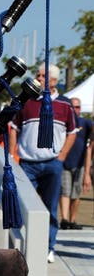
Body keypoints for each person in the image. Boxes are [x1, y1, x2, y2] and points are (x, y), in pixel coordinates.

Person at [9, 62, 77, 263]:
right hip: (27, 163)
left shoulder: (65, 105)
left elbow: (72, 132)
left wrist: (62, 155)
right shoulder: (27, 101)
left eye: (42, 76)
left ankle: (49, 247)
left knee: (50, 207)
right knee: (22, 205)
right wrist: (13, 155)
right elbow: (14, 127)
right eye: (38, 75)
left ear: (54, 81)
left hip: (52, 163)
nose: (38, 79)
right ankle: (23, 244)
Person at [59, 98, 92, 229]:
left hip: (80, 164)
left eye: (78, 107)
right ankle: (65, 220)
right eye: (73, 107)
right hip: (65, 162)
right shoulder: (64, 122)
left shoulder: (85, 122)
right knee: (65, 192)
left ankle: (72, 220)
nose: (75, 109)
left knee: (76, 194)